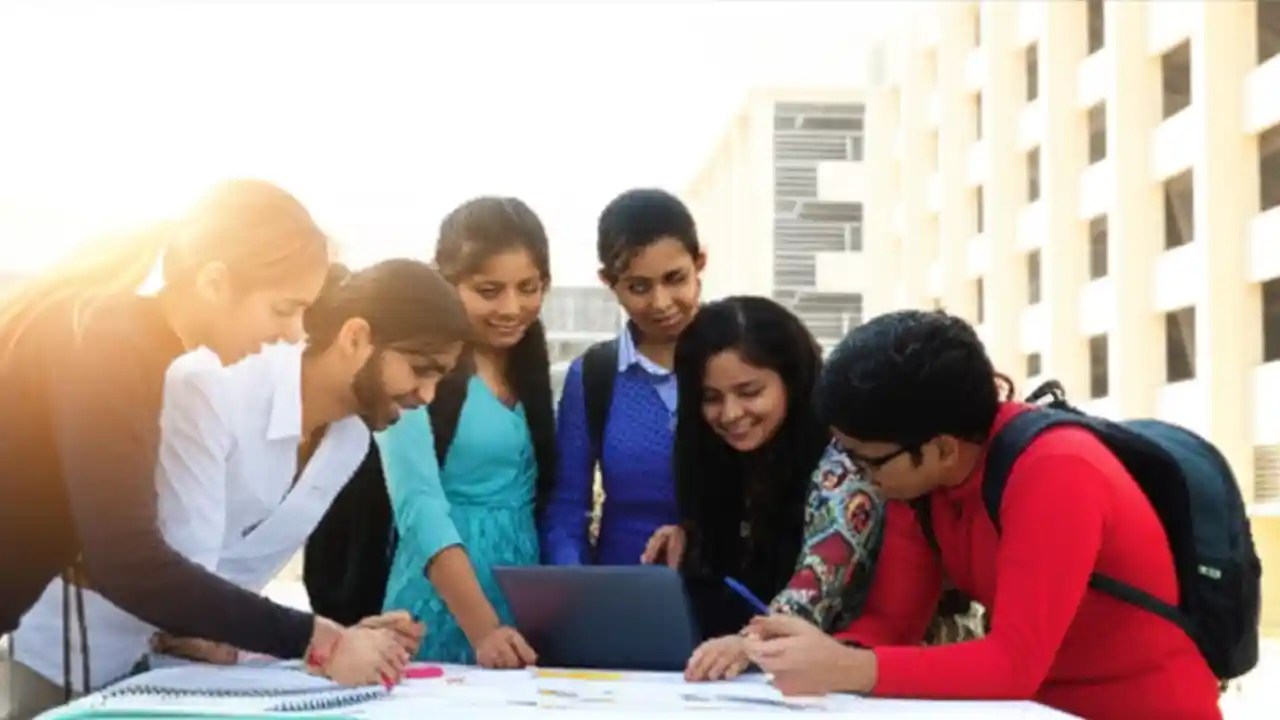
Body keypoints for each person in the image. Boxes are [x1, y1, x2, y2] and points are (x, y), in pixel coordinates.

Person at [0, 180, 407, 713]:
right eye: (284, 309)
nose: (294, 334)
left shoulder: (140, 349)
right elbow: (131, 564)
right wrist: (316, 638)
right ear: (216, 282)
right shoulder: (107, 345)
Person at [743, 310, 1223, 720]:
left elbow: (1014, 663)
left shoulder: (1057, 471)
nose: (857, 477)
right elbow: (891, 625)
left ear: (942, 448)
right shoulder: (920, 483)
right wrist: (798, 652)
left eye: (867, 460)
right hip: (1040, 710)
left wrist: (843, 668)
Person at [645, 297, 883, 682]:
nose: (731, 413)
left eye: (750, 391)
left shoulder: (845, 462)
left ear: (792, 380)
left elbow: (816, 585)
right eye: (710, 398)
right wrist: (691, 543)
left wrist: (748, 642)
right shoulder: (720, 457)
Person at [379, 197, 555, 667]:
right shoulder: (418, 372)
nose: (512, 307)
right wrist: (485, 630)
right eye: (488, 290)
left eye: (528, 287)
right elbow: (418, 506)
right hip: (443, 598)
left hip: (519, 594)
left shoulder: (529, 371)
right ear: (447, 283)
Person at [541, 188, 705, 566]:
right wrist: (575, 590)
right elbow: (567, 508)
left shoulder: (740, 363)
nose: (661, 303)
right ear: (609, 283)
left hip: (732, 600)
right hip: (624, 597)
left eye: (675, 279)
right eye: (639, 287)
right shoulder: (594, 378)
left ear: (700, 264)